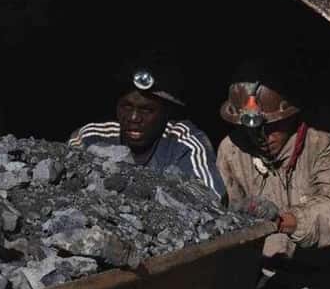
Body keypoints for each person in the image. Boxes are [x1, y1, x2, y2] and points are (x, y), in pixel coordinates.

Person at [216, 61, 330, 289]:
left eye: (270, 127)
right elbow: (224, 216)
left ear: (293, 116)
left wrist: (282, 221)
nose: (260, 137)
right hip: (283, 281)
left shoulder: (328, 140)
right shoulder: (232, 150)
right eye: (251, 129)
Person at [69, 59, 225, 198]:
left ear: (167, 113)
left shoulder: (184, 142)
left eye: (147, 110)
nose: (134, 118)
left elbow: (213, 197)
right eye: (127, 107)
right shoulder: (91, 137)